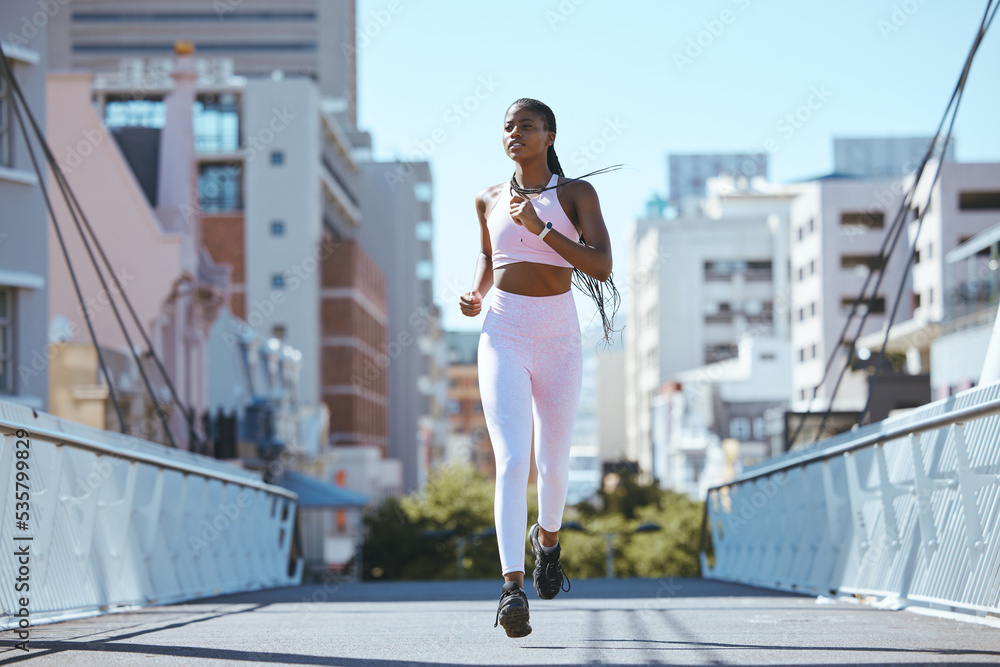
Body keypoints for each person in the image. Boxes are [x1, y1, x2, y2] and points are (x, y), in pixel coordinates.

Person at [459, 98, 619, 638]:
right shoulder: (487, 197)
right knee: (511, 461)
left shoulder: (575, 194)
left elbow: (600, 265)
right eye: (507, 126)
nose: (514, 133)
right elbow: (488, 256)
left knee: (553, 462)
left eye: (525, 126)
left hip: (558, 334)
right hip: (502, 331)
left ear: (549, 136)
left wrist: (544, 228)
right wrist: (475, 292)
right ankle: (511, 589)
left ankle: (547, 542)